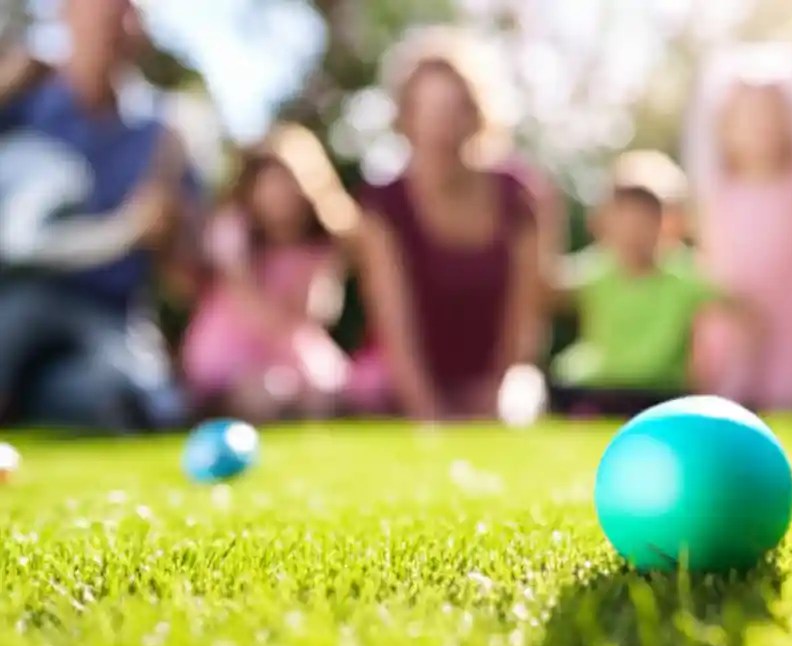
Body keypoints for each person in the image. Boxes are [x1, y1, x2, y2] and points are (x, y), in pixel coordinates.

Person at [0, 0, 199, 432]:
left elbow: (184, 279)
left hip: (109, 315)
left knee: (127, 403)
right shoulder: (23, 105)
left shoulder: (164, 134)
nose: (110, 24)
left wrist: (168, 236)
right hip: (18, 300)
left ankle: (38, 395)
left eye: (123, 11)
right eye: (96, 11)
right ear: (65, 18)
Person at [345, 48, 541, 421]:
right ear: (408, 118)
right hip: (400, 380)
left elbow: (524, 317)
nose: (442, 126)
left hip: (490, 382)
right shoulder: (383, 206)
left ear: (476, 115)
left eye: (455, 110)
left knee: (514, 405)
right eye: (430, 111)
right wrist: (428, 413)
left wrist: (493, 393)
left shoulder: (518, 196)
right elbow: (393, 323)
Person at [685, 43, 792, 410]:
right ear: (725, 126)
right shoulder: (717, 193)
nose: (760, 127)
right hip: (735, 319)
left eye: (770, 116)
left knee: (790, 400)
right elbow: (710, 258)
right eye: (748, 117)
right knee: (729, 400)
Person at [182, 125, 356, 422]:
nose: (279, 195)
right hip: (232, 354)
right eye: (269, 184)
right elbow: (251, 306)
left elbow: (316, 313)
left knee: (322, 395)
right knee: (266, 395)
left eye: (288, 183)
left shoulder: (318, 249)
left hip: (290, 349)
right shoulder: (233, 233)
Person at [549, 184, 749, 416]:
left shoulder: (682, 274)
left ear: (660, 226)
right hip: (604, 384)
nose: (633, 235)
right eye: (625, 224)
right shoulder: (596, 269)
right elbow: (549, 290)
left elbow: (742, 311)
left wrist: (731, 379)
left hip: (662, 391)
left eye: (642, 224)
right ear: (607, 226)